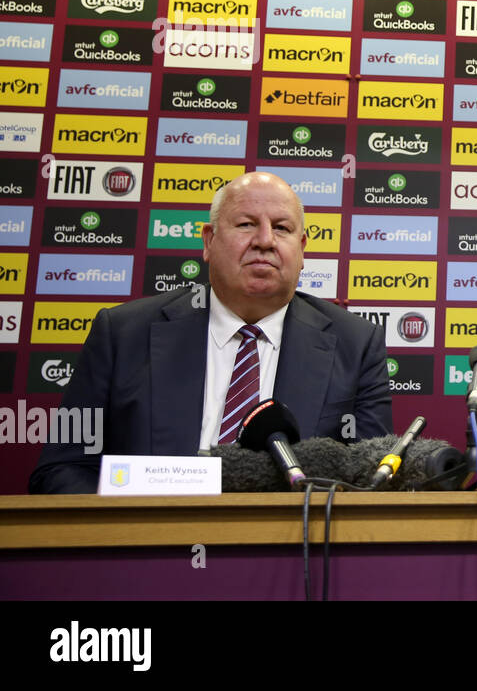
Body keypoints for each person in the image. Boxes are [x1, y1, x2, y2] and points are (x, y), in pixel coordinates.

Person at [30, 171, 392, 493]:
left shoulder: (356, 344)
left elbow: (366, 482)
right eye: (247, 224)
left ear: (302, 249)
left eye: (282, 228)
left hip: (288, 554)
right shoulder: (123, 334)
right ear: (208, 241)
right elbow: (62, 469)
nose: (265, 240)